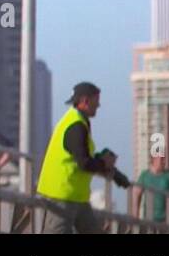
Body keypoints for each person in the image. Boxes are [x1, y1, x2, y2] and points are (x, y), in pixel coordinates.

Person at [36, 82, 131, 234]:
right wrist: (103, 163)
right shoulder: (76, 125)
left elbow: (84, 157)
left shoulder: (79, 122)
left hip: (76, 196)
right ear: (85, 101)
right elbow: (84, 163)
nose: (99, 105)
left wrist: (111, 171)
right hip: (61, 195)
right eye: (96, 100)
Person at [135, 154, 169, 227]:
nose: (164, 161)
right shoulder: (145, 175)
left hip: (167, 220)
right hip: (149, 219)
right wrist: (136, 214)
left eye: (164, 158)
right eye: (161, 159)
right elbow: (137, 195)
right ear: (154, 159)